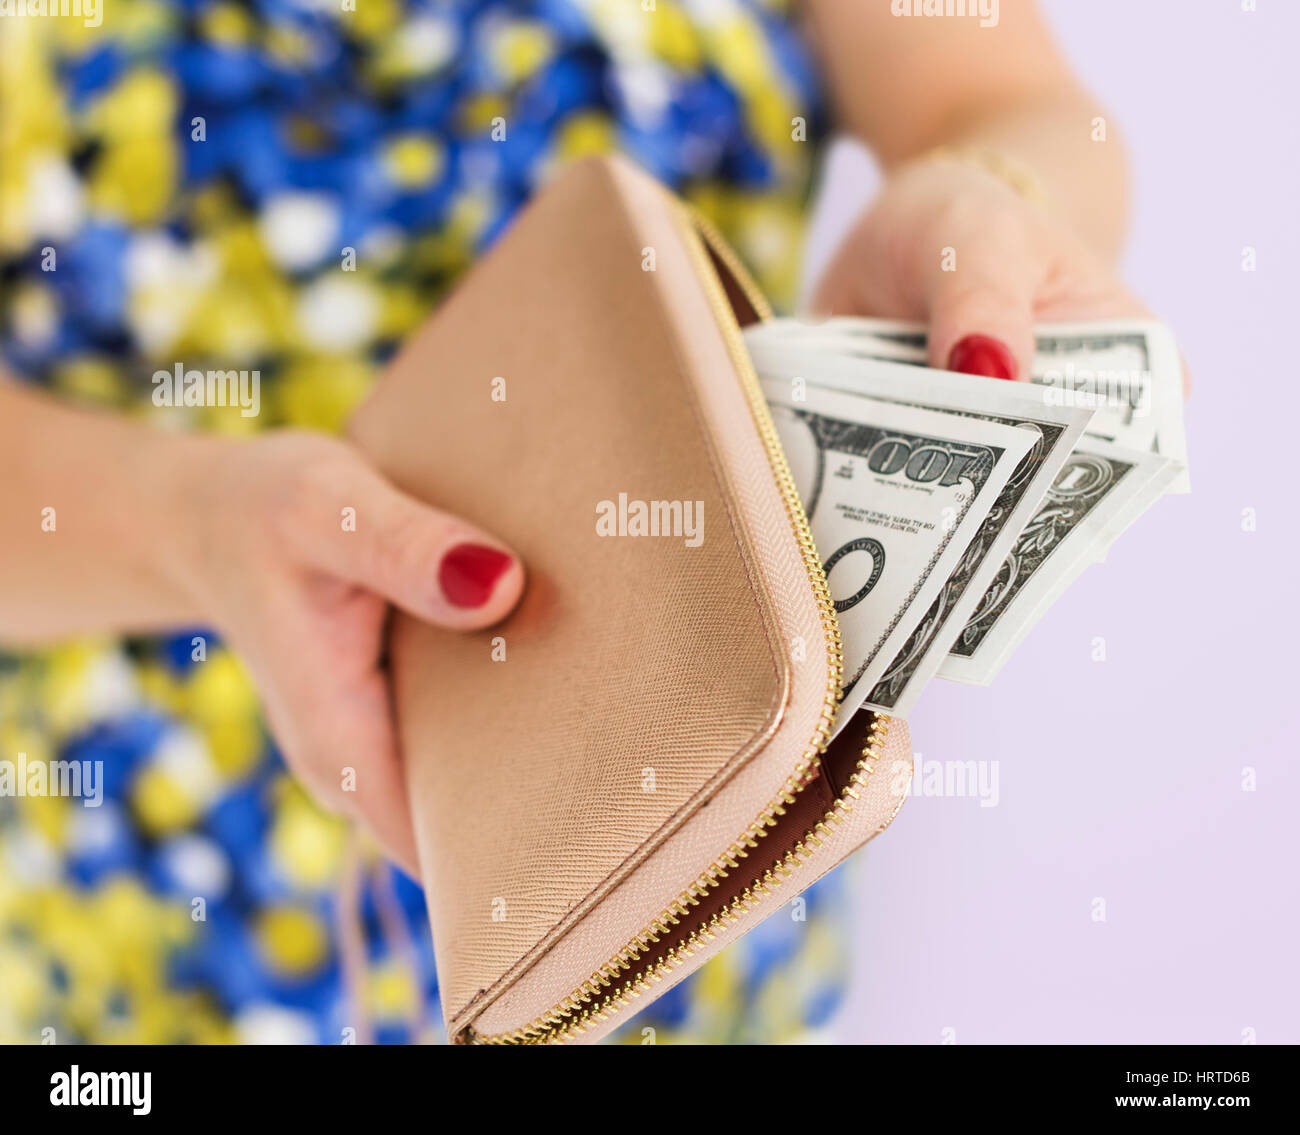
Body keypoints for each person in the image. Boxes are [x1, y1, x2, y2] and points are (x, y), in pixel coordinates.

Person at [0, 1, 1161, 1043]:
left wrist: (985, 202)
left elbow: (1011, 97)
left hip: (696, 883)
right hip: (154, 917)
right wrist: (194, 525)